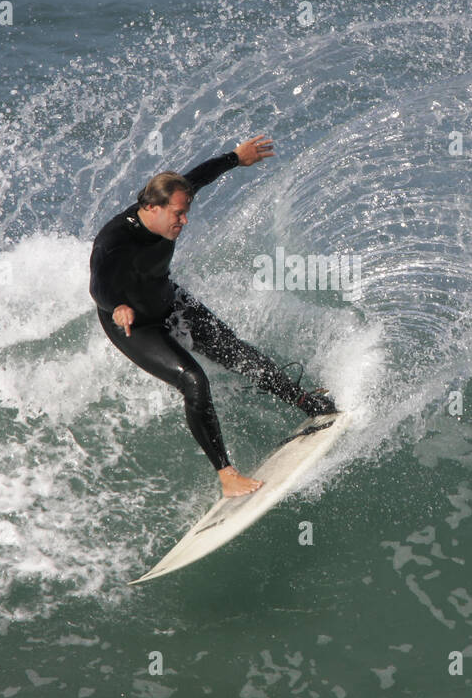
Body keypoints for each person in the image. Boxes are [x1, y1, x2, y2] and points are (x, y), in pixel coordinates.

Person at [89, 134, 338, 498]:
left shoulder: (170, 200)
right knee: (193, 381)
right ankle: (226, 475)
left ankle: (305, 402)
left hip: (168, 301)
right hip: (134, 324)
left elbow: (198, 177)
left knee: (238, 352)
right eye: (178, 214)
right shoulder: (113, 239)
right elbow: (98, 284)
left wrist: (236, 157)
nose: (185, 221)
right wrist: (117, 307)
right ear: (152, 208)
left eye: (186, 211)